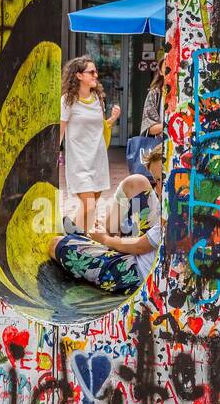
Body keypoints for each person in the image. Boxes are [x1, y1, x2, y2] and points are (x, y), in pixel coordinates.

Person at [50, 143, 163, 295]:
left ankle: (95, 241)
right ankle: (97, 236)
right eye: (157, 180)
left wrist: (104, 239)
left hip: (136, 273)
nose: (157, 188)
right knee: (135, 182)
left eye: (162, 179)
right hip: (144, 253)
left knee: (56, 244)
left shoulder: (177, 218)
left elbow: (139, 247)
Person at [60, 56, 120, 232]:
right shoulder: (67, 100)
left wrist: (113, 119)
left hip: (98, 158)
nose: (96, 75)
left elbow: (101, 126)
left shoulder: (97, 97)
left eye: (95, 71)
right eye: (91, 72)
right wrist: (53, 157)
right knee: (89, 205)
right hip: (78, 159)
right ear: (78, 75)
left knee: (90, 206)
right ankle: (75, 243)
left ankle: (78, 236)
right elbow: (61, 129)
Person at [140, 56, 166, 136]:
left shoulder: (186, 95)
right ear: (161, 72)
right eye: (166, 67)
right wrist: (168, 125)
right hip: (159, 145)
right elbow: (148, 128)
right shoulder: (154, 94)